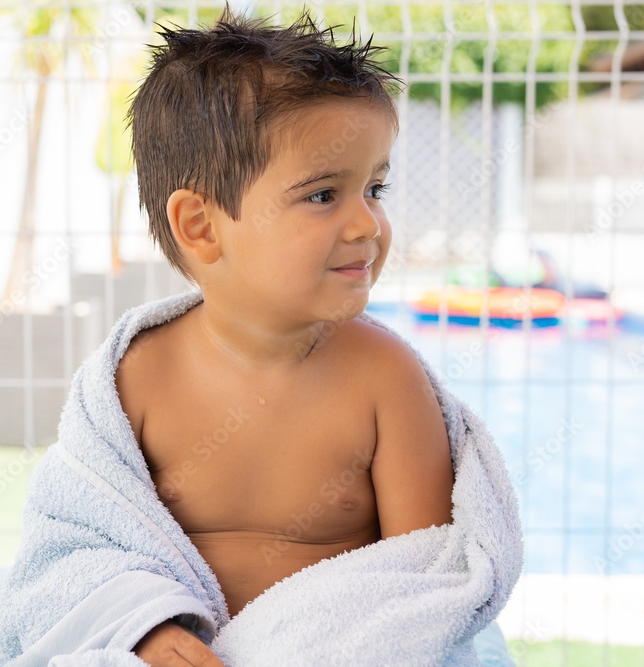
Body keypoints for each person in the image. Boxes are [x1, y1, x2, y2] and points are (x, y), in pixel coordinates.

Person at [118, 5, 455, 665]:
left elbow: (428, 586)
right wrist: (141, 630)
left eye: (375, 188)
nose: (368, 224)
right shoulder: (138, 378)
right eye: (324, 195)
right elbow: (83, 551)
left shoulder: (385, 379)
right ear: (201, 226)